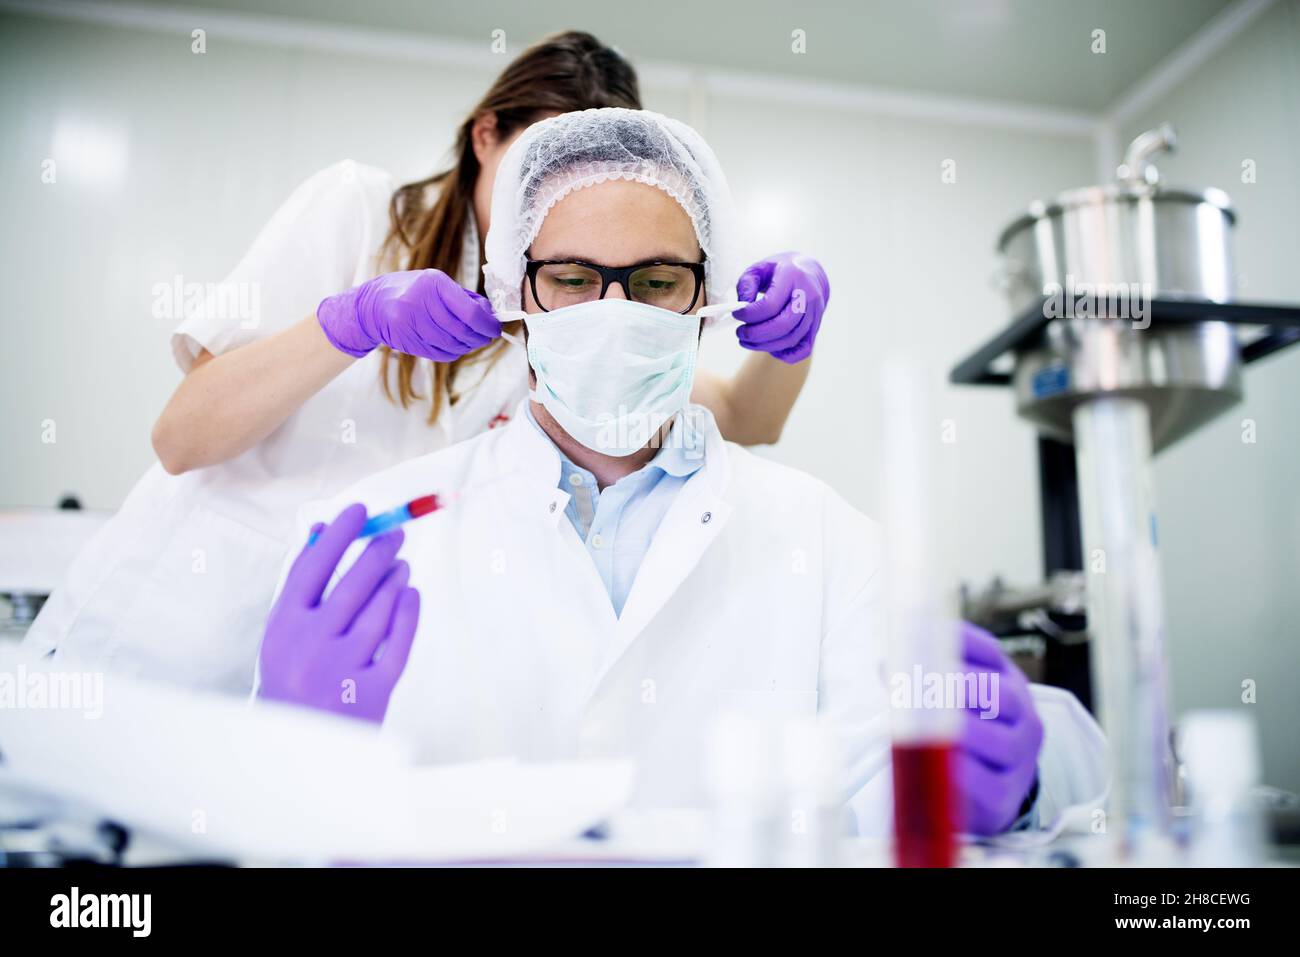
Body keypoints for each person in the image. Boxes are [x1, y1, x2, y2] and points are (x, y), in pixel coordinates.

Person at [258, 108, 1106, 835]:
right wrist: (288, 757)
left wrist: (1020, 788)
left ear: (708, 299)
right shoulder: (380, 532)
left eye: (657, 280)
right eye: (574, 277)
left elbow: (1000, 787)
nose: (614, 311)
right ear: (517, 294)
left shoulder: (827, 540)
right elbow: (280, 834)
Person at [23, 33, 829, 694]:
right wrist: (351, 320)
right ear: (485, 136)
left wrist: (790, 335)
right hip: (160, 649)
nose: (562, 197)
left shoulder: (561, 314)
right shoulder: (357, 209)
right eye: (538, 163)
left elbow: (749, 417)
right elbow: (181, 437)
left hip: (329, 695)